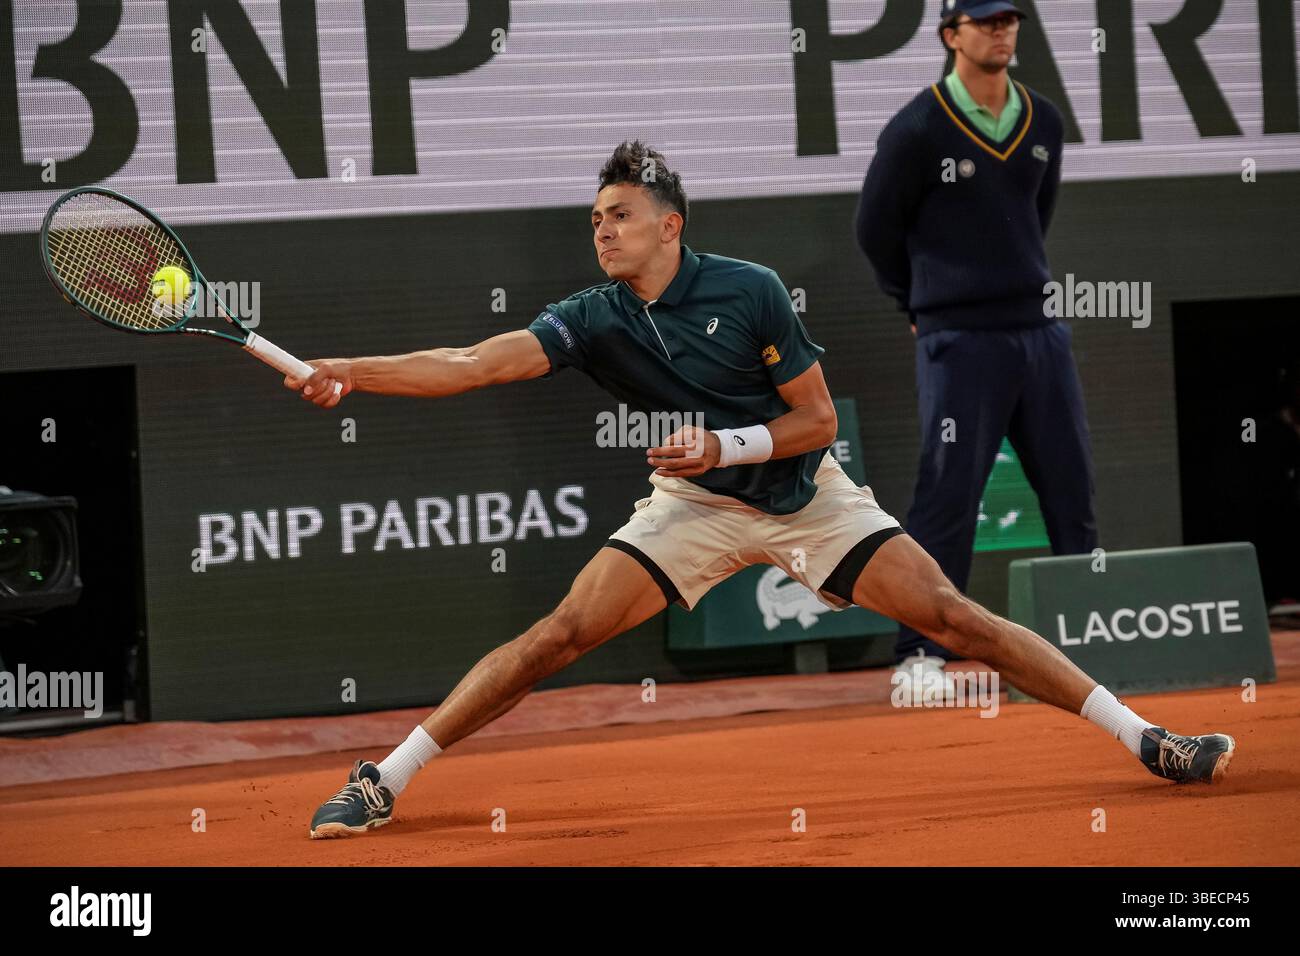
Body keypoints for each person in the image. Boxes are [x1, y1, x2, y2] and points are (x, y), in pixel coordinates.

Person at [287, 141, 1233, 839]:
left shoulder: (750, 290)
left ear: (670, 224)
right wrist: (348, 371)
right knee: (558, 636)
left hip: (804, 493)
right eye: (595, 219)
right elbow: (471, 362)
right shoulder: (591, 317)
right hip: (696, 510)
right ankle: (383, 779)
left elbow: (817, 422)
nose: (602, 232)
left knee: (956, 616)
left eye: (618, 215)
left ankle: (1150, 740)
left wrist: (724, 442)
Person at [855, 0, 1098, 692]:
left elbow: (1033, 216)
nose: (1001, 30)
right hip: (957, 341)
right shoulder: (915, 128)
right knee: (948, 495)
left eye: (1010, 19)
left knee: (1071, 490)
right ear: (951, 34)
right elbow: (874, 230)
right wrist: (918, 302)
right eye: (985, 20)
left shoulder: (1044, 120)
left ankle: (1088, 643)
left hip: (1038, 334)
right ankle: (919, 658)